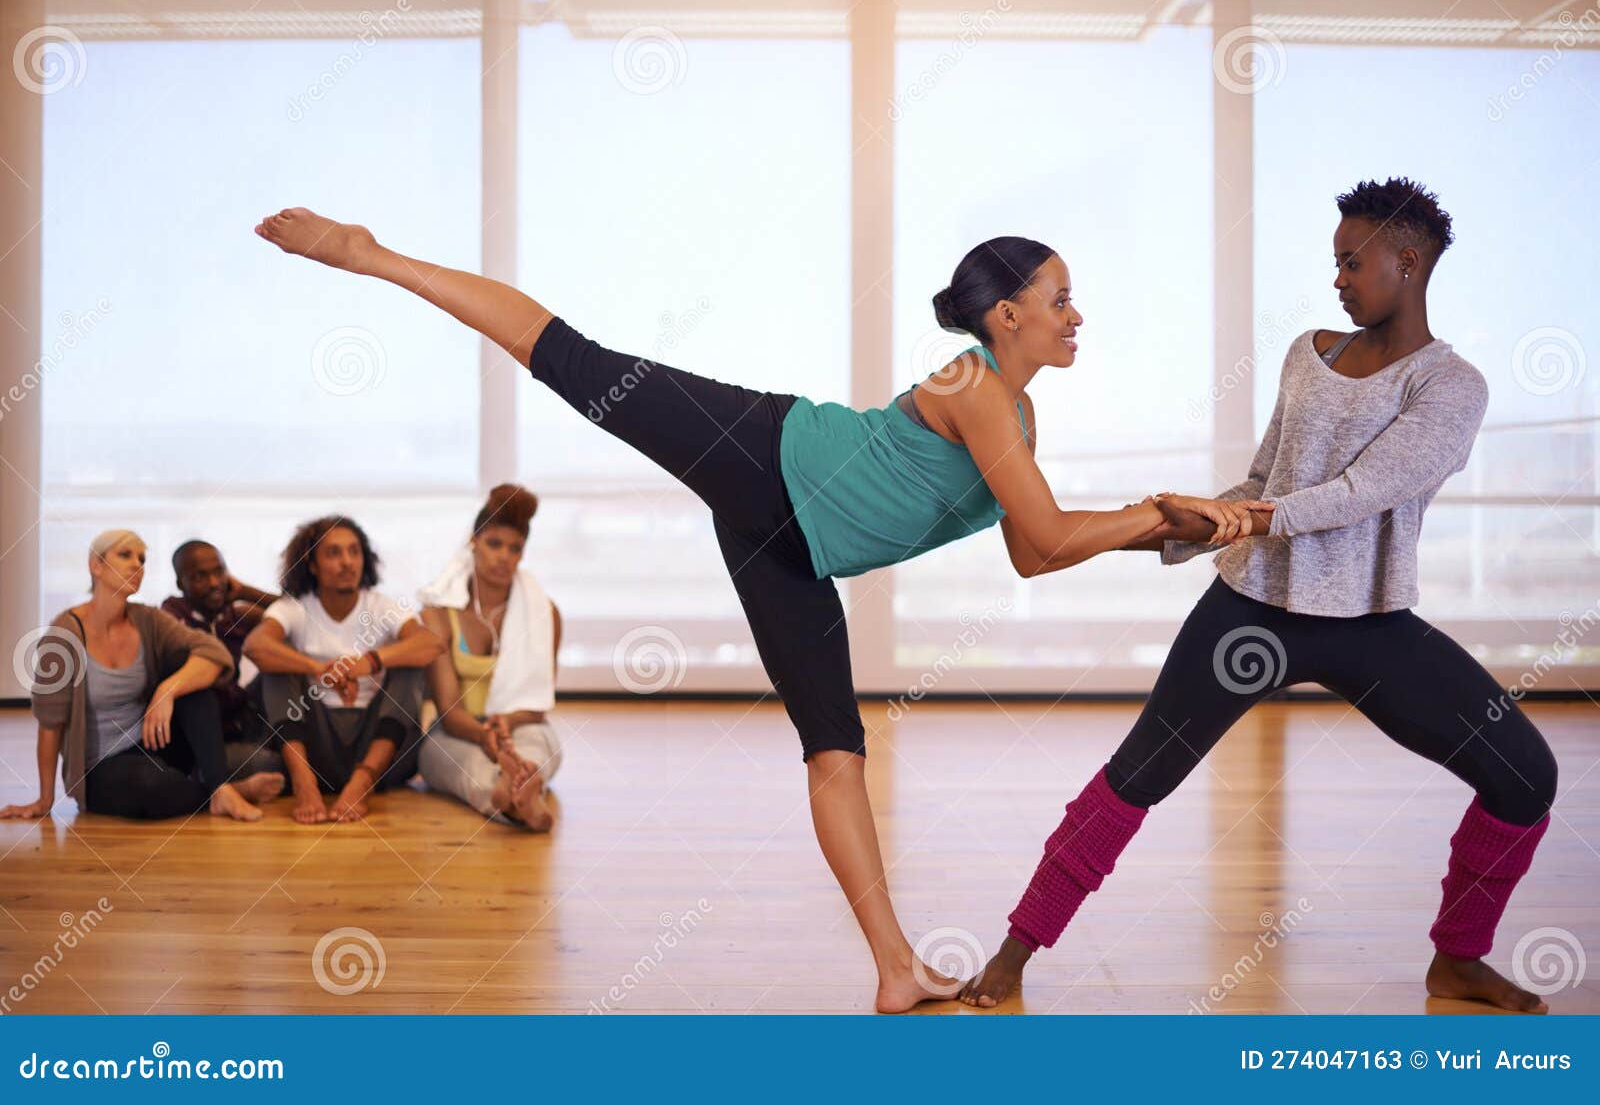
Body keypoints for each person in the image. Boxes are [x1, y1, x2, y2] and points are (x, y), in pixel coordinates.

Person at [253, 206, 1257, 1012]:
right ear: (1007, 315)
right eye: (1059, 299)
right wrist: (1160, 514)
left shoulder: (1018, 413)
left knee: (836, 749)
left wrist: (1176, 523)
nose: (1074, 315)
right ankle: (373, 255)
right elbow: (1047, 538)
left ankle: (896, 969)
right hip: (762, 450)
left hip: (789, 550)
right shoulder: (976, 386)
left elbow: (1034, 557)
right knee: (573, 360)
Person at [961, 178, 1560, 1015]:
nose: (1339, 281)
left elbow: (1363, 490)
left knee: (1526, 775)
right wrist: (1183, 523)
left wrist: (1247, 516)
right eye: (1335, 264)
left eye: (1353, 264)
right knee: (1136, 776)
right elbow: (1261, 479)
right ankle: (1012, 955)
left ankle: (1457, 960)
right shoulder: (1307, 353)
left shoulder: (1452, 386)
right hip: (1250, 612)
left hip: (1366, 625)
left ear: (1408, 261)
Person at [1, 530, 283, 822]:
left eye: (142, 558)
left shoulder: (147, 619)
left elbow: (214, 653)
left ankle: (219, 788)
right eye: (125, 555)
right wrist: (44, 799)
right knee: (151, 785)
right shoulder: (64, 634)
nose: (137, 564)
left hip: (151, 744)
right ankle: (223, 792)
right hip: (101, 768)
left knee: (190, 671)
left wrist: (168, 690)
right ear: (95, 566)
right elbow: (50, 724)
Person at [243, 516, 445, 824]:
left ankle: (361, 784)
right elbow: (256, 646)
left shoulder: (381, 606)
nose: (347, 562)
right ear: (312, 564)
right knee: (277, 668)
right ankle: (304, 784)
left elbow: (431, 645)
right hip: (315, 748)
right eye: (333, 553)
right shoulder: (294, 608)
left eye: (354, 552)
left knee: (410, 667)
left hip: (381, 751)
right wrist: (319, 668)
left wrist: (368, 663)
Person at [418, 484, 563, 832]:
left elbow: (538, 704)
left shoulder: (545, 612)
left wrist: (507, 727)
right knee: (443, 757)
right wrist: (487, 737)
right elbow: (450, 712)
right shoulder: (438, 612)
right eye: (494, 544)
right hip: (459, 730)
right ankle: (518, 796)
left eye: (515, 549)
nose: (504, 557)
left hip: (519, 724)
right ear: (473, 542)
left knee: (539, 745)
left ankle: (516, 785)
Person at [162, 539, 283, 781]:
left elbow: (296, 615)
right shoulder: (171, 618)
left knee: (279, 673)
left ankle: (283, 754)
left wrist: (245, 592)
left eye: (220, 572)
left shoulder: (235, 615)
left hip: (239, 720)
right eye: (200, 576)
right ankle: (207, 776)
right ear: (180, 583)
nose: (214, 583)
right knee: (270, 764)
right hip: (201, 740)